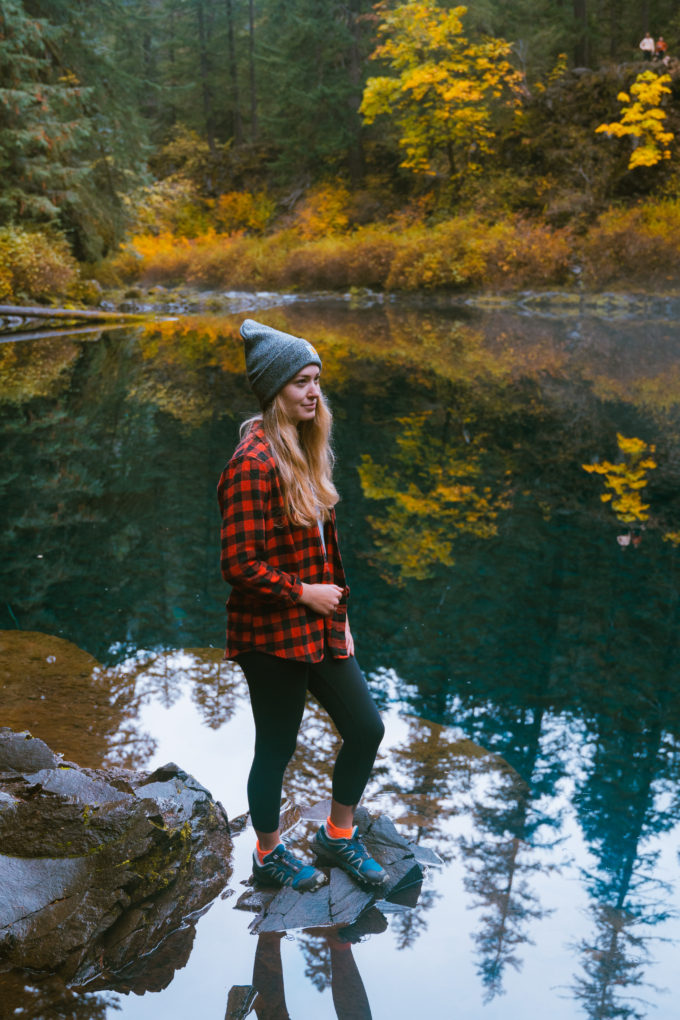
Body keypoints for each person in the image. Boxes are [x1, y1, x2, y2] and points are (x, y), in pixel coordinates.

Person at [218, 319, 387, 894]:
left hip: (318, 625)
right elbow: (239, 564)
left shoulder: (308, 452)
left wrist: (341, 618)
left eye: (316, 380)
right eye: (299, 383)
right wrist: (301, 594)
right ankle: (268, 853)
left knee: (366, 728)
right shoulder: (253, 462)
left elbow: (323, 553)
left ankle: (337, 837)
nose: (313, 392)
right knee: (278, 746)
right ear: (274, 392)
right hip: (270, 634)